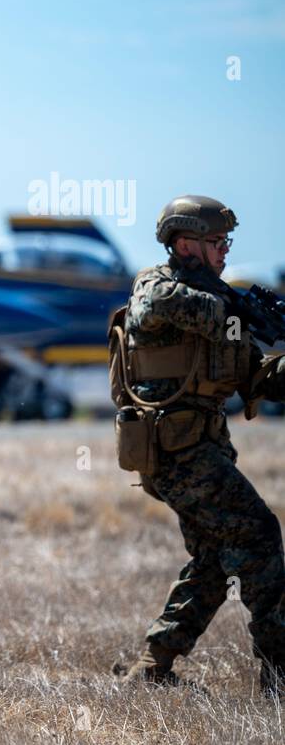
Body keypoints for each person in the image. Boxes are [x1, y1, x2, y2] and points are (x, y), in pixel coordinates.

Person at [114, 195, 285, 693]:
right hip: (172, 449)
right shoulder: (158, 285)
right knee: (257, 536)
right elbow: (154, 308)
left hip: (202, 449)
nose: (225, 251)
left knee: (214, 558)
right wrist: (232, 308)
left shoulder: (222, 303)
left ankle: (153, 665)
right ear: (185, 243)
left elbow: (258, 379)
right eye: (216, 242)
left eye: (226, 242)